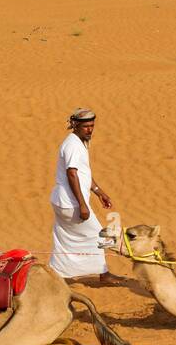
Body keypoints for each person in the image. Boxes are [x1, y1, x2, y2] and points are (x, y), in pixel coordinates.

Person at [49, 107, 124, 286]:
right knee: (98, 235)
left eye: (92, 126)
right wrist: (82, 205)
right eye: (86, 127)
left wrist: (99, 192)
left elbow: (83, 174)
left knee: (65, 239)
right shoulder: (73, 145)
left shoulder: (77, 142)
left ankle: (57, 275)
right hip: (71, 203)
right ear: (75, 125)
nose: (90, 130)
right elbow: (72, 174)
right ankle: (104, 274)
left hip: (63, 201)